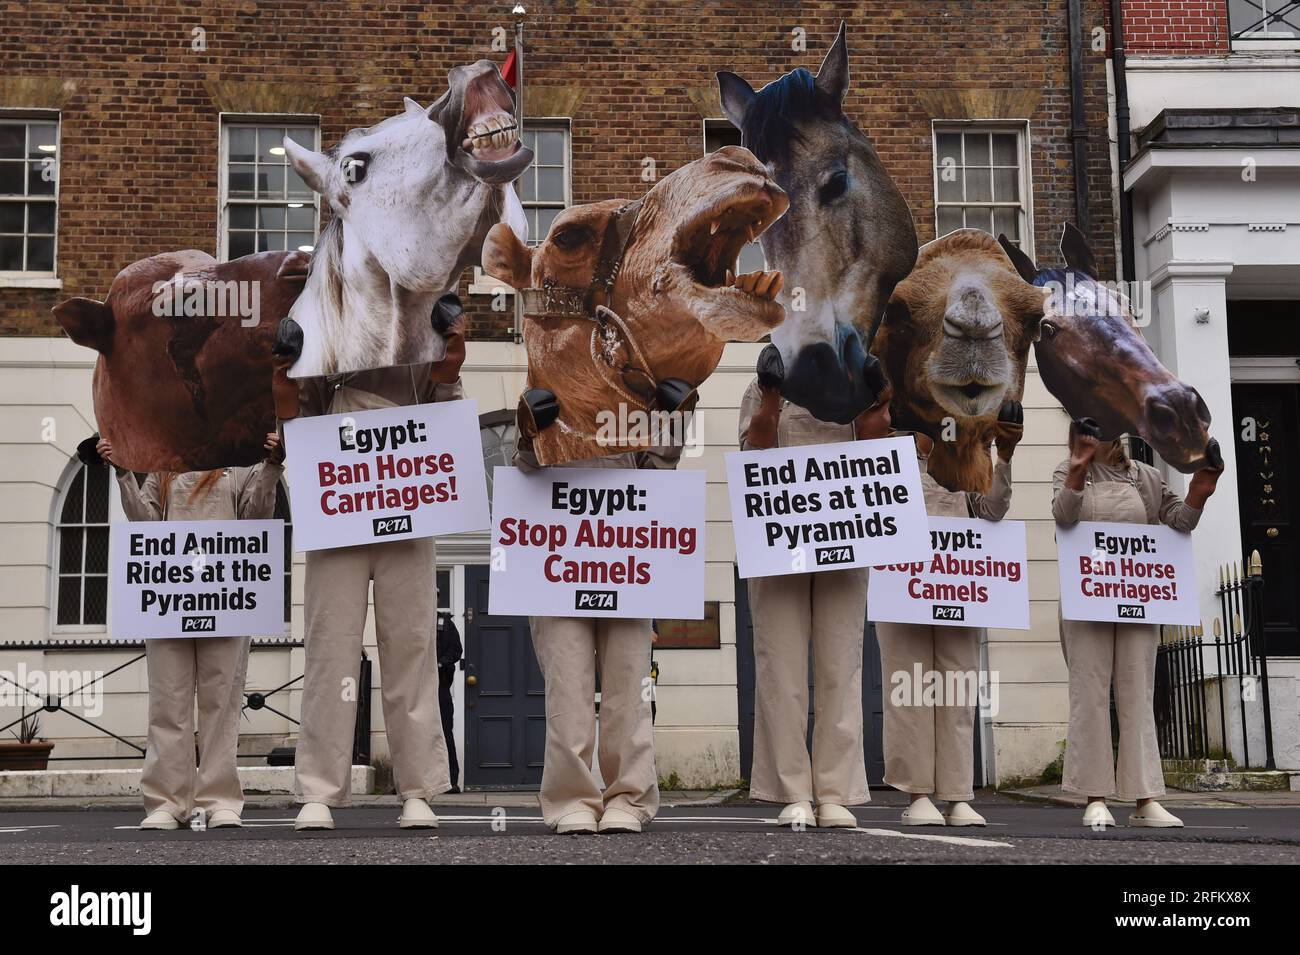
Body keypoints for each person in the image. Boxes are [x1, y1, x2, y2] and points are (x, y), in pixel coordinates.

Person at [281, 303, 467, 832]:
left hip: (405, 500)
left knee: (411, 646)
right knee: (329, 648)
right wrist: (289, 367)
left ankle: (418, 788)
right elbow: (303, 420)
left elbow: (446, 406)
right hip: (340, 499)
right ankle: (319, 788)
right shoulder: (326, 327)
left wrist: (451, 350)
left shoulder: (423, 325)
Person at [96, 432, 283, 831]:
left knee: (222, 702)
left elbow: (257, 519)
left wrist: (271, 467)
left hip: (225, 597)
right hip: (170, 598)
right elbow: (144, 521)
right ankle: (167, 800)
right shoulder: (164, 460)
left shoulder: (241, 458)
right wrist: (124, 473)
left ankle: (219, 799)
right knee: (168, 700)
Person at [737, 374, 891, 829]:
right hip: (777, 539)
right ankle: (792, 791)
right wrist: (769, 397)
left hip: (846, 534)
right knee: (780, 669)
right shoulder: (763, 385)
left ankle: (834, 791)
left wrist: (879, 396)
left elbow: (874, 446)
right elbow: (753, 454)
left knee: (841, 667)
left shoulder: (854, 381)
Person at [1052, 419, 1222, 828]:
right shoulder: (1065, 469)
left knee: (1137, 693)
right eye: (1092, 423)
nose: (1102, 431)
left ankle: (1145, 798)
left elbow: (1179, 521)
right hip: (1087, 598)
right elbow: (1063, 516)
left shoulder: (1144, 477)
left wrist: (1200, 489)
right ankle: (1095, 796)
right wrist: (1077, 468)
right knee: (1090, 694)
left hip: (1137, 599)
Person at [515, 435, 676, 835]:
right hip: (557, 542)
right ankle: (572, 797)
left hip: (623, 545)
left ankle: (630, 795)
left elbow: (657, 472)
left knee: (628, 678)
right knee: (567, 683)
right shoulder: (550, 373)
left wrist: (672, 426)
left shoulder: (634, 383)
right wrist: (531, 432)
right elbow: (526, 465)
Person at [873, 405, 1022, 827]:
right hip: (903, 593)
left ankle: (957, 794)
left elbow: (993, 509)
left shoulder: (957, 477)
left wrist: (1005, 456)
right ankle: (918, 793)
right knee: (909, 690)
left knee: (957, 691)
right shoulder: (880, 469)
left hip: (957, 592)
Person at [436, 612, 463, 793]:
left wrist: (440, 663)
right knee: (413, 733)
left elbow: (456, 649)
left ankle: (450, 781)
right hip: (416, 685)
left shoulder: (445, 623)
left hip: (440, 686)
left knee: (445, 732)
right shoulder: (412, 617)